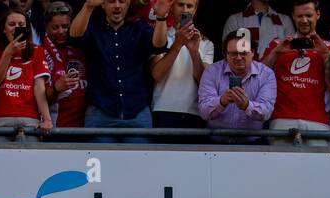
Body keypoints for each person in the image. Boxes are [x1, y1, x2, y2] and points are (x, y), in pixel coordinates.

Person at [70, 0, 170, 141]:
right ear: (103, 5)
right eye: (111, 1)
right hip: (101, 113)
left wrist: (161, 18)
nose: (117, 5)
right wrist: (88, 6)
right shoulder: (94, 28)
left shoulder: (139, 29)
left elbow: (159, 45)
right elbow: (75, 35)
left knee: (139, 162)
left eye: (122, 1)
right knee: (100, 162)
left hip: (137, 113)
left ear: (128, 4)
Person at [262, 1, 330, 140]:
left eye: (308, 15)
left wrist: (326, 56)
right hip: (282, 119)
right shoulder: (277, 44)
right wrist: (275, 53)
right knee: (280, 163)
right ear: (293, 17)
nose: (304, 20)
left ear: (317, 15)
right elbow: (258, 77)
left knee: (319, 162)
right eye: (300, 16)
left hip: (318, 121)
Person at [197, 29, 277, 134]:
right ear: (226, 54)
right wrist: (221, 101)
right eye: (234, 53)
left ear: (252, 52)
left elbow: (266, 113)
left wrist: (247, 105)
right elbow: (203, 112)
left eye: (243, 53)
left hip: (252, 142)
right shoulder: (212, 71)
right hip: (216, 142)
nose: (239, 58)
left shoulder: (266, 74)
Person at [0, 7, 53, 136]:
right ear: (3, 28)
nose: (16, 28)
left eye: (21, 25)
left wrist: (47, 119)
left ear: (27, 28)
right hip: (0, 119)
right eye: (11, 24)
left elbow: (39, 87)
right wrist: (7, 53)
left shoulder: (37, 51)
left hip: (29, 120)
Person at [149, 0, 211, 129]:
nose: (184, 9)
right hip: (163, 110)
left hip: (194, 113)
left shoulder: (205, 43)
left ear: (195, 10)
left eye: (189, 6)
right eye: (180, 4)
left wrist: (194, 52)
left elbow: (205, 83)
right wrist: (177, 44)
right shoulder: (159, 37)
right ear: (172, 7)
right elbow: (157, 74)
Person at [42, 3, 87, 129]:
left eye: (65, 27)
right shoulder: (40, 53)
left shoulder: (80, 49)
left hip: (86, 126)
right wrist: (56, 88)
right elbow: (38, 97)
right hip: (58, 129)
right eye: (55, 27)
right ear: (46, 27)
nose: (61, 31)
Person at [222, 0, 292, 52]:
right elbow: (228, 52)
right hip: (246, 71)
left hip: (277, 70)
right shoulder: (235, 20)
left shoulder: (285, 20)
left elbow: (291, 52)